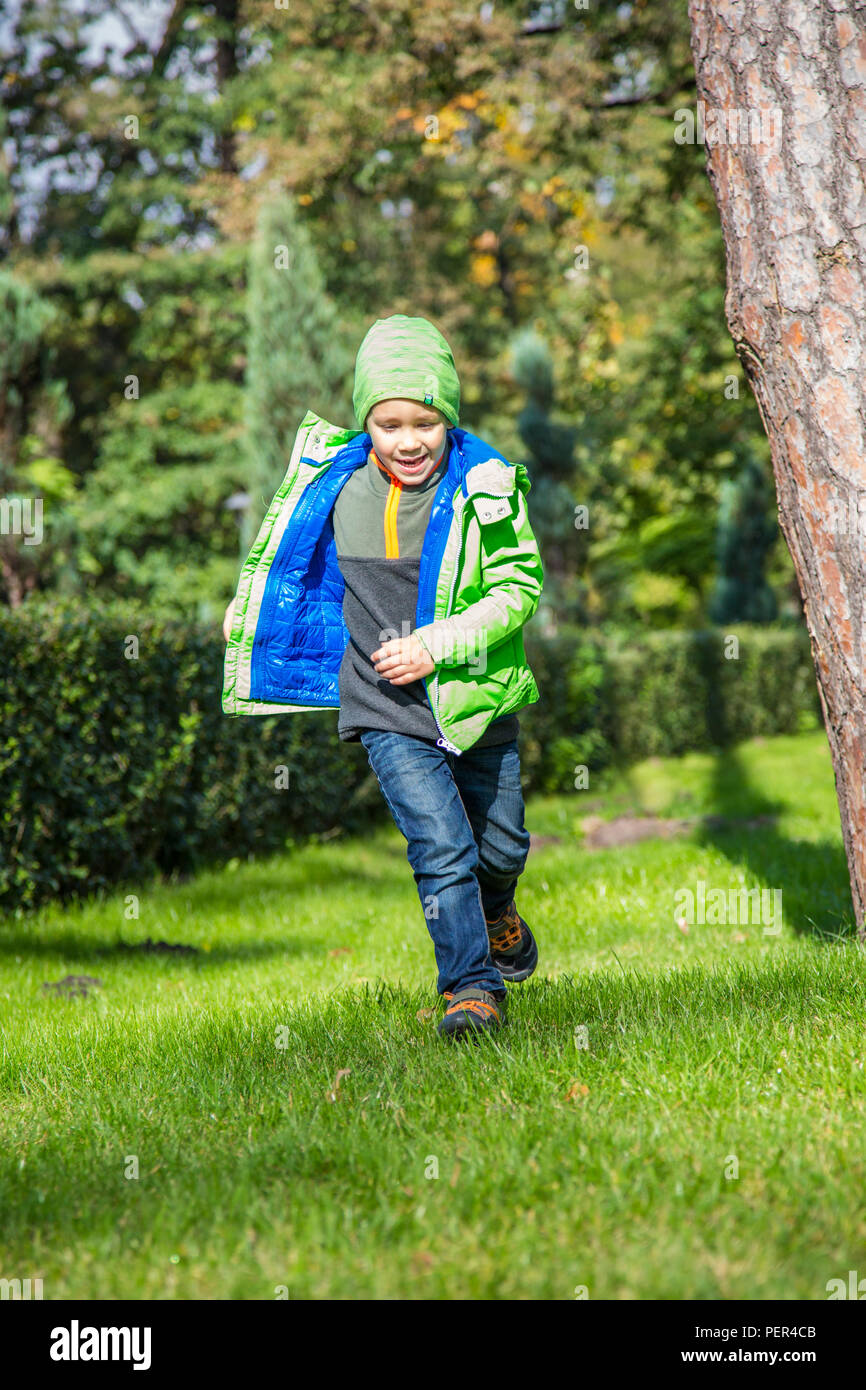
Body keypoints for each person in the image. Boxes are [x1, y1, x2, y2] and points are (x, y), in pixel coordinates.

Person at [223, 314, 544, 1040]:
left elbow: (518, 587)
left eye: (425, 422)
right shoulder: (332, 478)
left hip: (475, 699)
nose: (407, 440)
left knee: (501, 848)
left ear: (448, 418)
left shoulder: (484, 484)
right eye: (389, 422)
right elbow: (284, 559)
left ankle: (499, 912)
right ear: (366, 419)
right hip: (385, 706)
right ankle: (470, 988)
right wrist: (247, 617)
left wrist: (438, 644)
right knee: (441, 846)